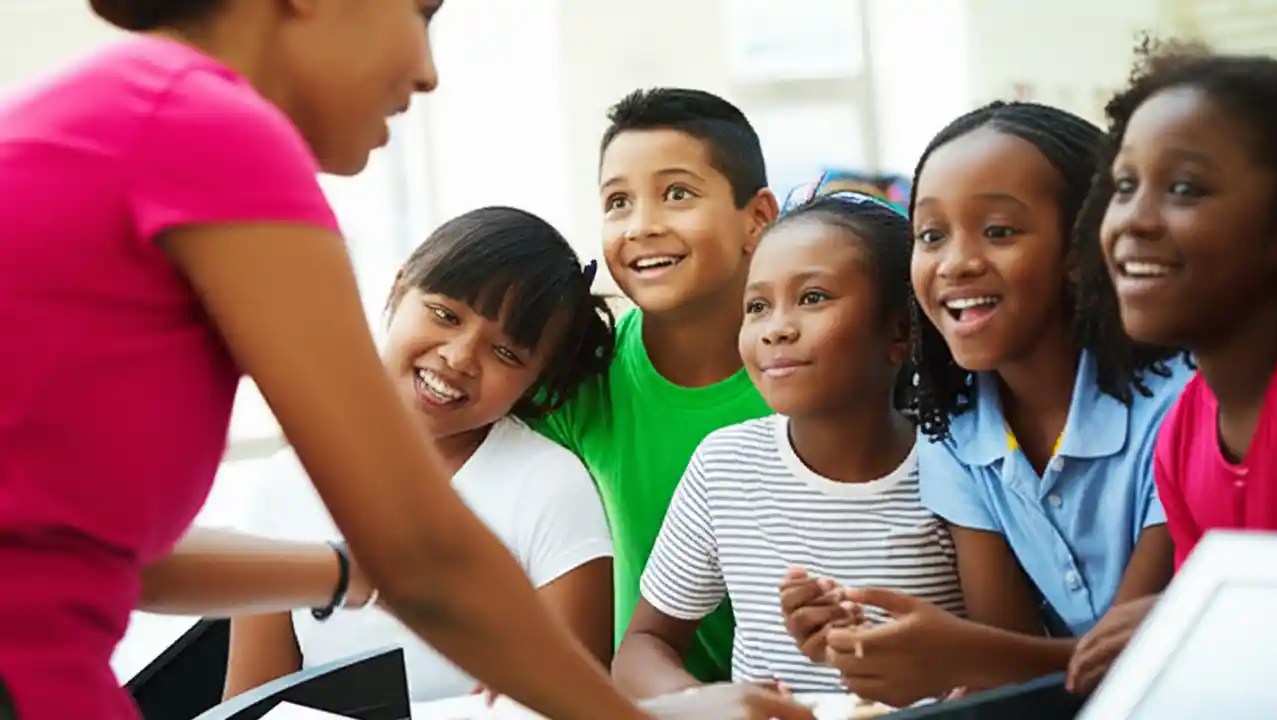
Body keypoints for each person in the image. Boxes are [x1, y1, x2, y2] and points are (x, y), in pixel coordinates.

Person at [0, 1, 808, 718]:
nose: (426, 72)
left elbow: (103, 556)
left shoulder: (113, 106)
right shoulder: (211, 131)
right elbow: (421, 550)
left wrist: (345, 572)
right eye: (422, 13)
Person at [809, 102, 1191, 708]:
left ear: (1082, 249)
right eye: (931, 235)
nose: (957, 262)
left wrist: (961, 655)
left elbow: (1140, 660)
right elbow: (1012, 655)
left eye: (999, 231)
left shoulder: (1177, 403)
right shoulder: (956, 429)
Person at [224, 207, 616, 702]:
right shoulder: (287, 481)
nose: (458, 357)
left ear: (537, 380)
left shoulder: (551, 487)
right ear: (399, 288)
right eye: (446, 315)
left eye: (506, 353)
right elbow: (250, 701)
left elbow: (572, 703)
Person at [612, 193, 966, 698]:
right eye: (757, 306)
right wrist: (705, 703)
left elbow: (1004, 656)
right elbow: (642, 647)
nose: (776, 329)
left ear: (899, 331)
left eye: (813, 298)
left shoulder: (956, 465)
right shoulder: (725, 465)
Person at [535, 88, 779, 683]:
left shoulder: (821, 368)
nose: (641, 226)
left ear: (759, 218)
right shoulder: (579, 377)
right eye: (617, 202)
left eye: (677, 194)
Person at [1068, 42, 1277, 694]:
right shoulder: (1185, 429)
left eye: (1184, 188)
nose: (1134, 220)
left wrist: (1198, 621)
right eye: (1126, 186)